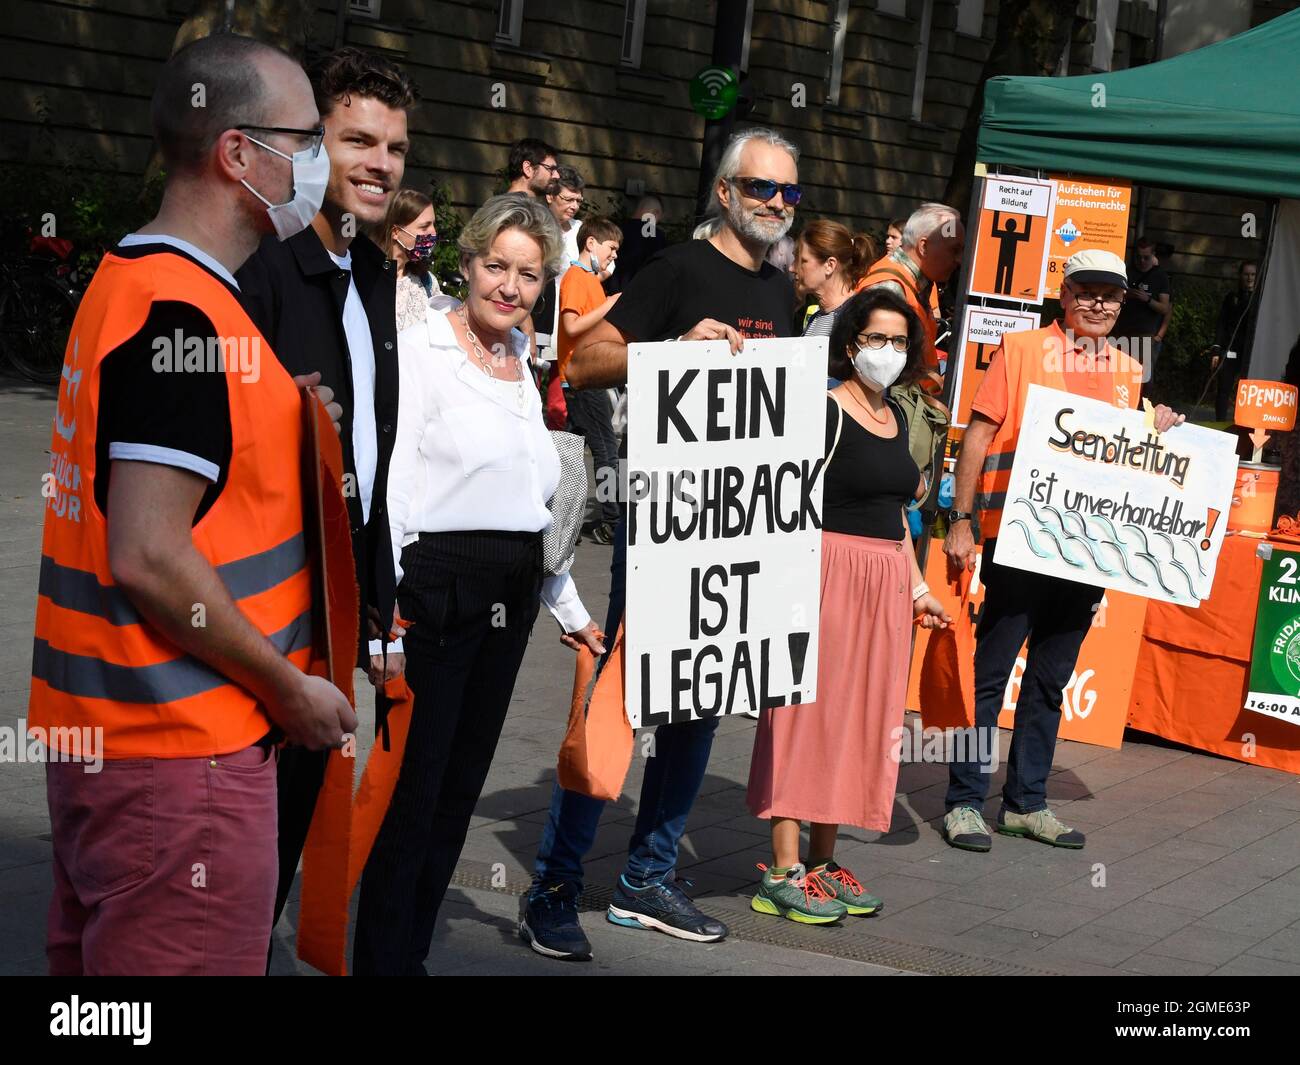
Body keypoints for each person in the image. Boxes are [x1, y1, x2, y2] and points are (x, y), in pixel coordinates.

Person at [30, 33, 355, 976]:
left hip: (109, 745)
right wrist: (288, 688)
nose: (319, 163)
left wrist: (281, 413)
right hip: (185, 760)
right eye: (305, 138)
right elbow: (148, 551)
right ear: (238, 153)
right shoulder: (186, 319)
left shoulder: (135, 283)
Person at [520, 126, 800, 961]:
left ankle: (646, 878)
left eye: (789, 193)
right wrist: (670, 352)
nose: (777, 205)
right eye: (762, 189)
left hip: (737, 528)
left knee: (700, 699)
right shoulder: (675, 271)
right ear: (724, 191)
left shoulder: (781, 292)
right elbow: (584, 361)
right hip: (663, 523)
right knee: (619, 697)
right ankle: (553, 887)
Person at [353, 194, 604, 975]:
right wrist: (379, 614)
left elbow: (533, 497)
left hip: (508, 594)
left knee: (459, 791)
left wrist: (569, 606)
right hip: (432, 589)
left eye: (529, 274)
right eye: (496, 265)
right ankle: (379, 959)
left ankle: (412, 956)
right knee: (411, 793)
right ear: (464, 262)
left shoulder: (521, 362)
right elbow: (391, 485)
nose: (510, 285)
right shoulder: (421, 344)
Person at [235, 44, 417, 939]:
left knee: (283, 835)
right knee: (235, 850)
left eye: (393, 148)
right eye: (357, 140)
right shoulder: (261, 271)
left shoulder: (381, 275)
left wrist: (382, 608)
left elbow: (376, 460)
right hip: (260, 615)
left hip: (340, 615)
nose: (379, 164)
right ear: (314, 145)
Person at [941, 249, 1185, 852]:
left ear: (1124, 302)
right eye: (1088, 291)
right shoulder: (1022, 351)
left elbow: (1134, 457)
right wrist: (962, 519)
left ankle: (1026, 803)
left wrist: (1164, 428)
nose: (1100, 303)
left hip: (1085, 553)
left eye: (1112, 294)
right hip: (1020, 541)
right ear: (1065, 294)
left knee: (1050, 678)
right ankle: (965, 802)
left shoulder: (1130, 372)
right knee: (991, 675)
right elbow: (977, 436)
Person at [747, 288, 950, 923]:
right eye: (874, 339)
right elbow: (777, 496)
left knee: (863, 720)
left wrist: (917, 589)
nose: (886, 351)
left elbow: (894, 513)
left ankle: (822, 861)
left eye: (897, 341)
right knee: (803, 716)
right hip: (825, 575)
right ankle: (782, 870)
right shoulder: (825, 412)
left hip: (883, 581)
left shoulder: (895, 417)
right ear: (850, 345)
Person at [558, 216, 622, 544]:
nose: (615, 255)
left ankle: (561, 523)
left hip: (584, 379)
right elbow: (571, 326)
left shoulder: (589, 279)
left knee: (570, 453)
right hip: (581, 379)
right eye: (611, 248)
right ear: (591, 243)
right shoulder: (574, 277)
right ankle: (611, 520)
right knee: (605, 448)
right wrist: (609, 304)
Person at [855, 202, 963, 372]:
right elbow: (876, 372)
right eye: (954, 250)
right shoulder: (890, 289)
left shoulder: (917, 284)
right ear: (924, 247)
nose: (959, 260)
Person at [795, 219, 875, 338]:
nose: (792, 267)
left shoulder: (859, 319)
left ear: (830, 265)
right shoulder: (816, 318)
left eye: (802, 261)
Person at [377, 188, 443, 332]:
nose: (433, 232)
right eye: (424, 226)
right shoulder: (368, 281)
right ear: (396, 232)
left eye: (433, 224)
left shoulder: (427, 282)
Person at [1111, 236, 1172, 381]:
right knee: (1120, 376)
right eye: (1139, 257)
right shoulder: (1127, 272)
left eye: (1146, 257)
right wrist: (1126, 295)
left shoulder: (1160, 276)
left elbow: (1165, 308)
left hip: (1145, 335)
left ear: (1153, 255)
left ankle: (1141, 403)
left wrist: (1147, 300)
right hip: (1122, 333)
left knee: (1142, 379)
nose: (1142, 261)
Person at [1212, 260, 1260, 421]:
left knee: (1248, 390)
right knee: (1224, 387)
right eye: (1246, 274)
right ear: (1240, 276)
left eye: (1253, 274)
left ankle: (1245, 423)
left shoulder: (1260, 299)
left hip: (1251, 352)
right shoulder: (1232, 298)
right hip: (1231, 350)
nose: (1249, 278)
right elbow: (1221, 323)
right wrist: (1216, 350)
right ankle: (1220, 422)